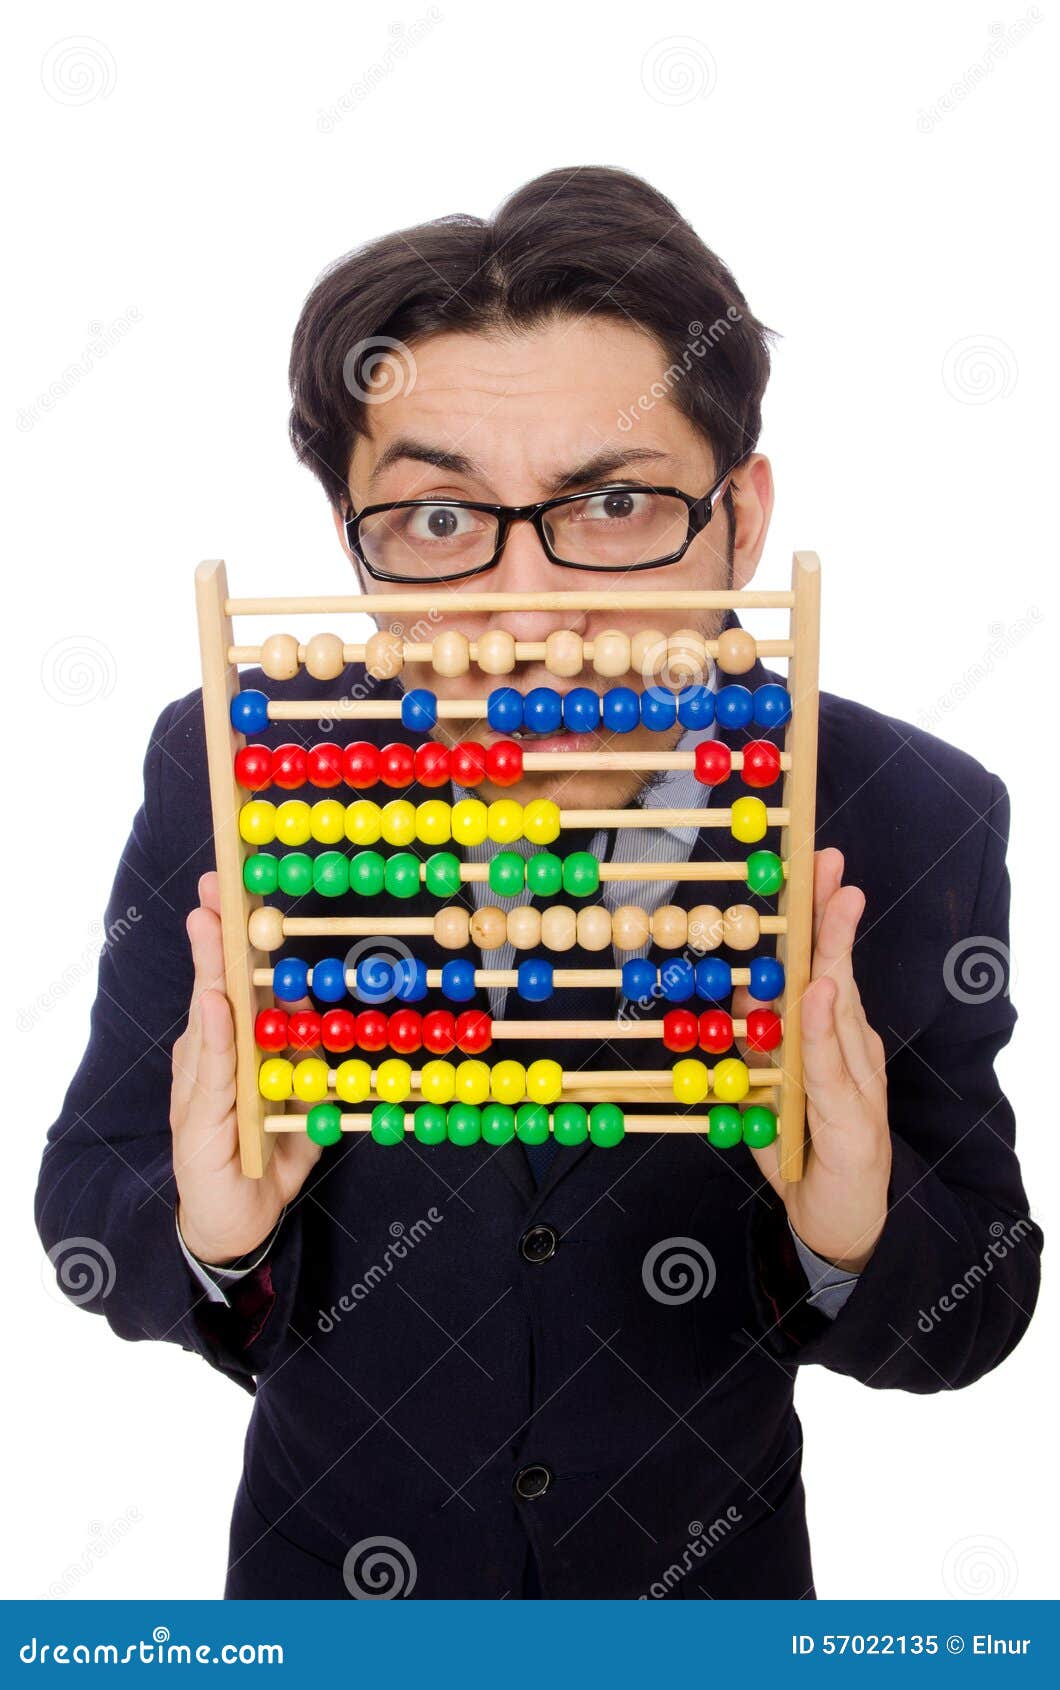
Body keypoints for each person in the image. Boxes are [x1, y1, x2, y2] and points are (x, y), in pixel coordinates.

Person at [35, 166, 1042, 1600]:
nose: (528, 608)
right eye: (441, 521)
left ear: (741, 520)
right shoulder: (240, 768)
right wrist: (211, 1235)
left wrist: (855, 1230)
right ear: (356, 548)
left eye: (617, 503)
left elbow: (982, 1299)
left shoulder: (904, 813)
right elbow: (89, 1197)